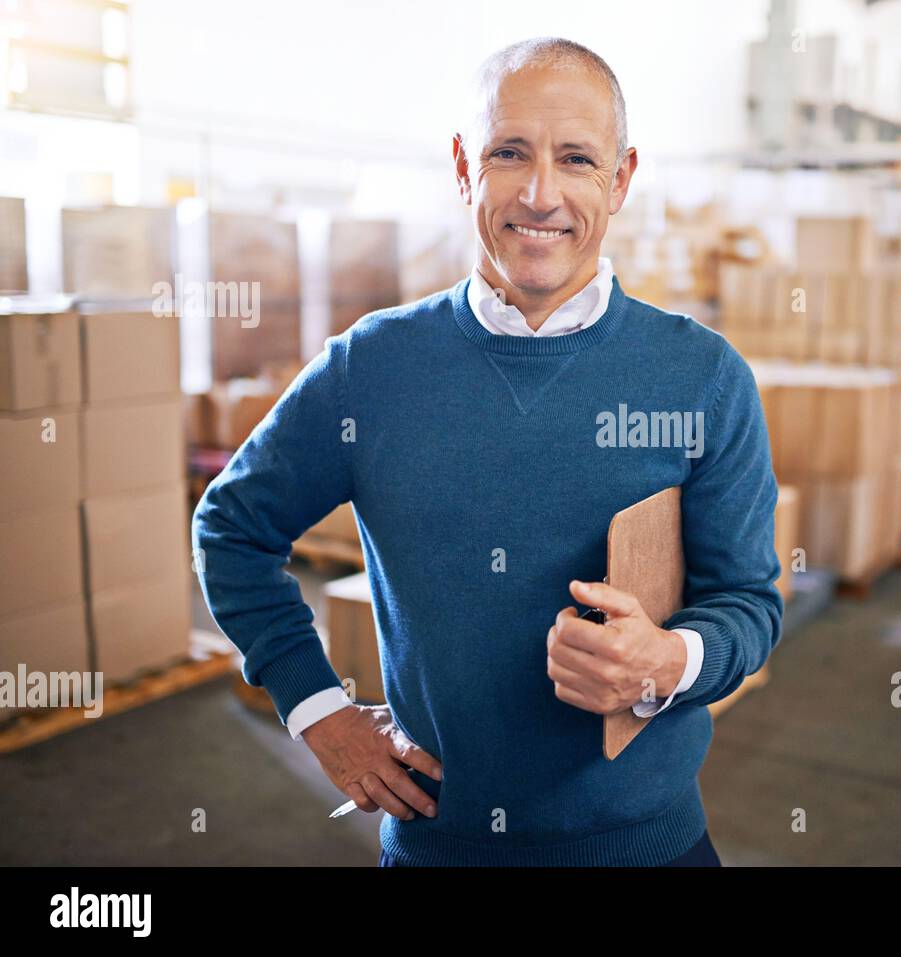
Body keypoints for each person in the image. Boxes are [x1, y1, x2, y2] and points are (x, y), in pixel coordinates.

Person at [193, 36, 782, 867]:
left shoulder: (701, 377)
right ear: (465, 166)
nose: (541, 194)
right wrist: (316, 709)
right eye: (510, 153)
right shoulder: (372, 368)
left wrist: (669, 658)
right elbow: (231, 527)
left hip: (652, 849)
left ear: (620, 180)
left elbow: (748, 605)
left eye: (576, 159)